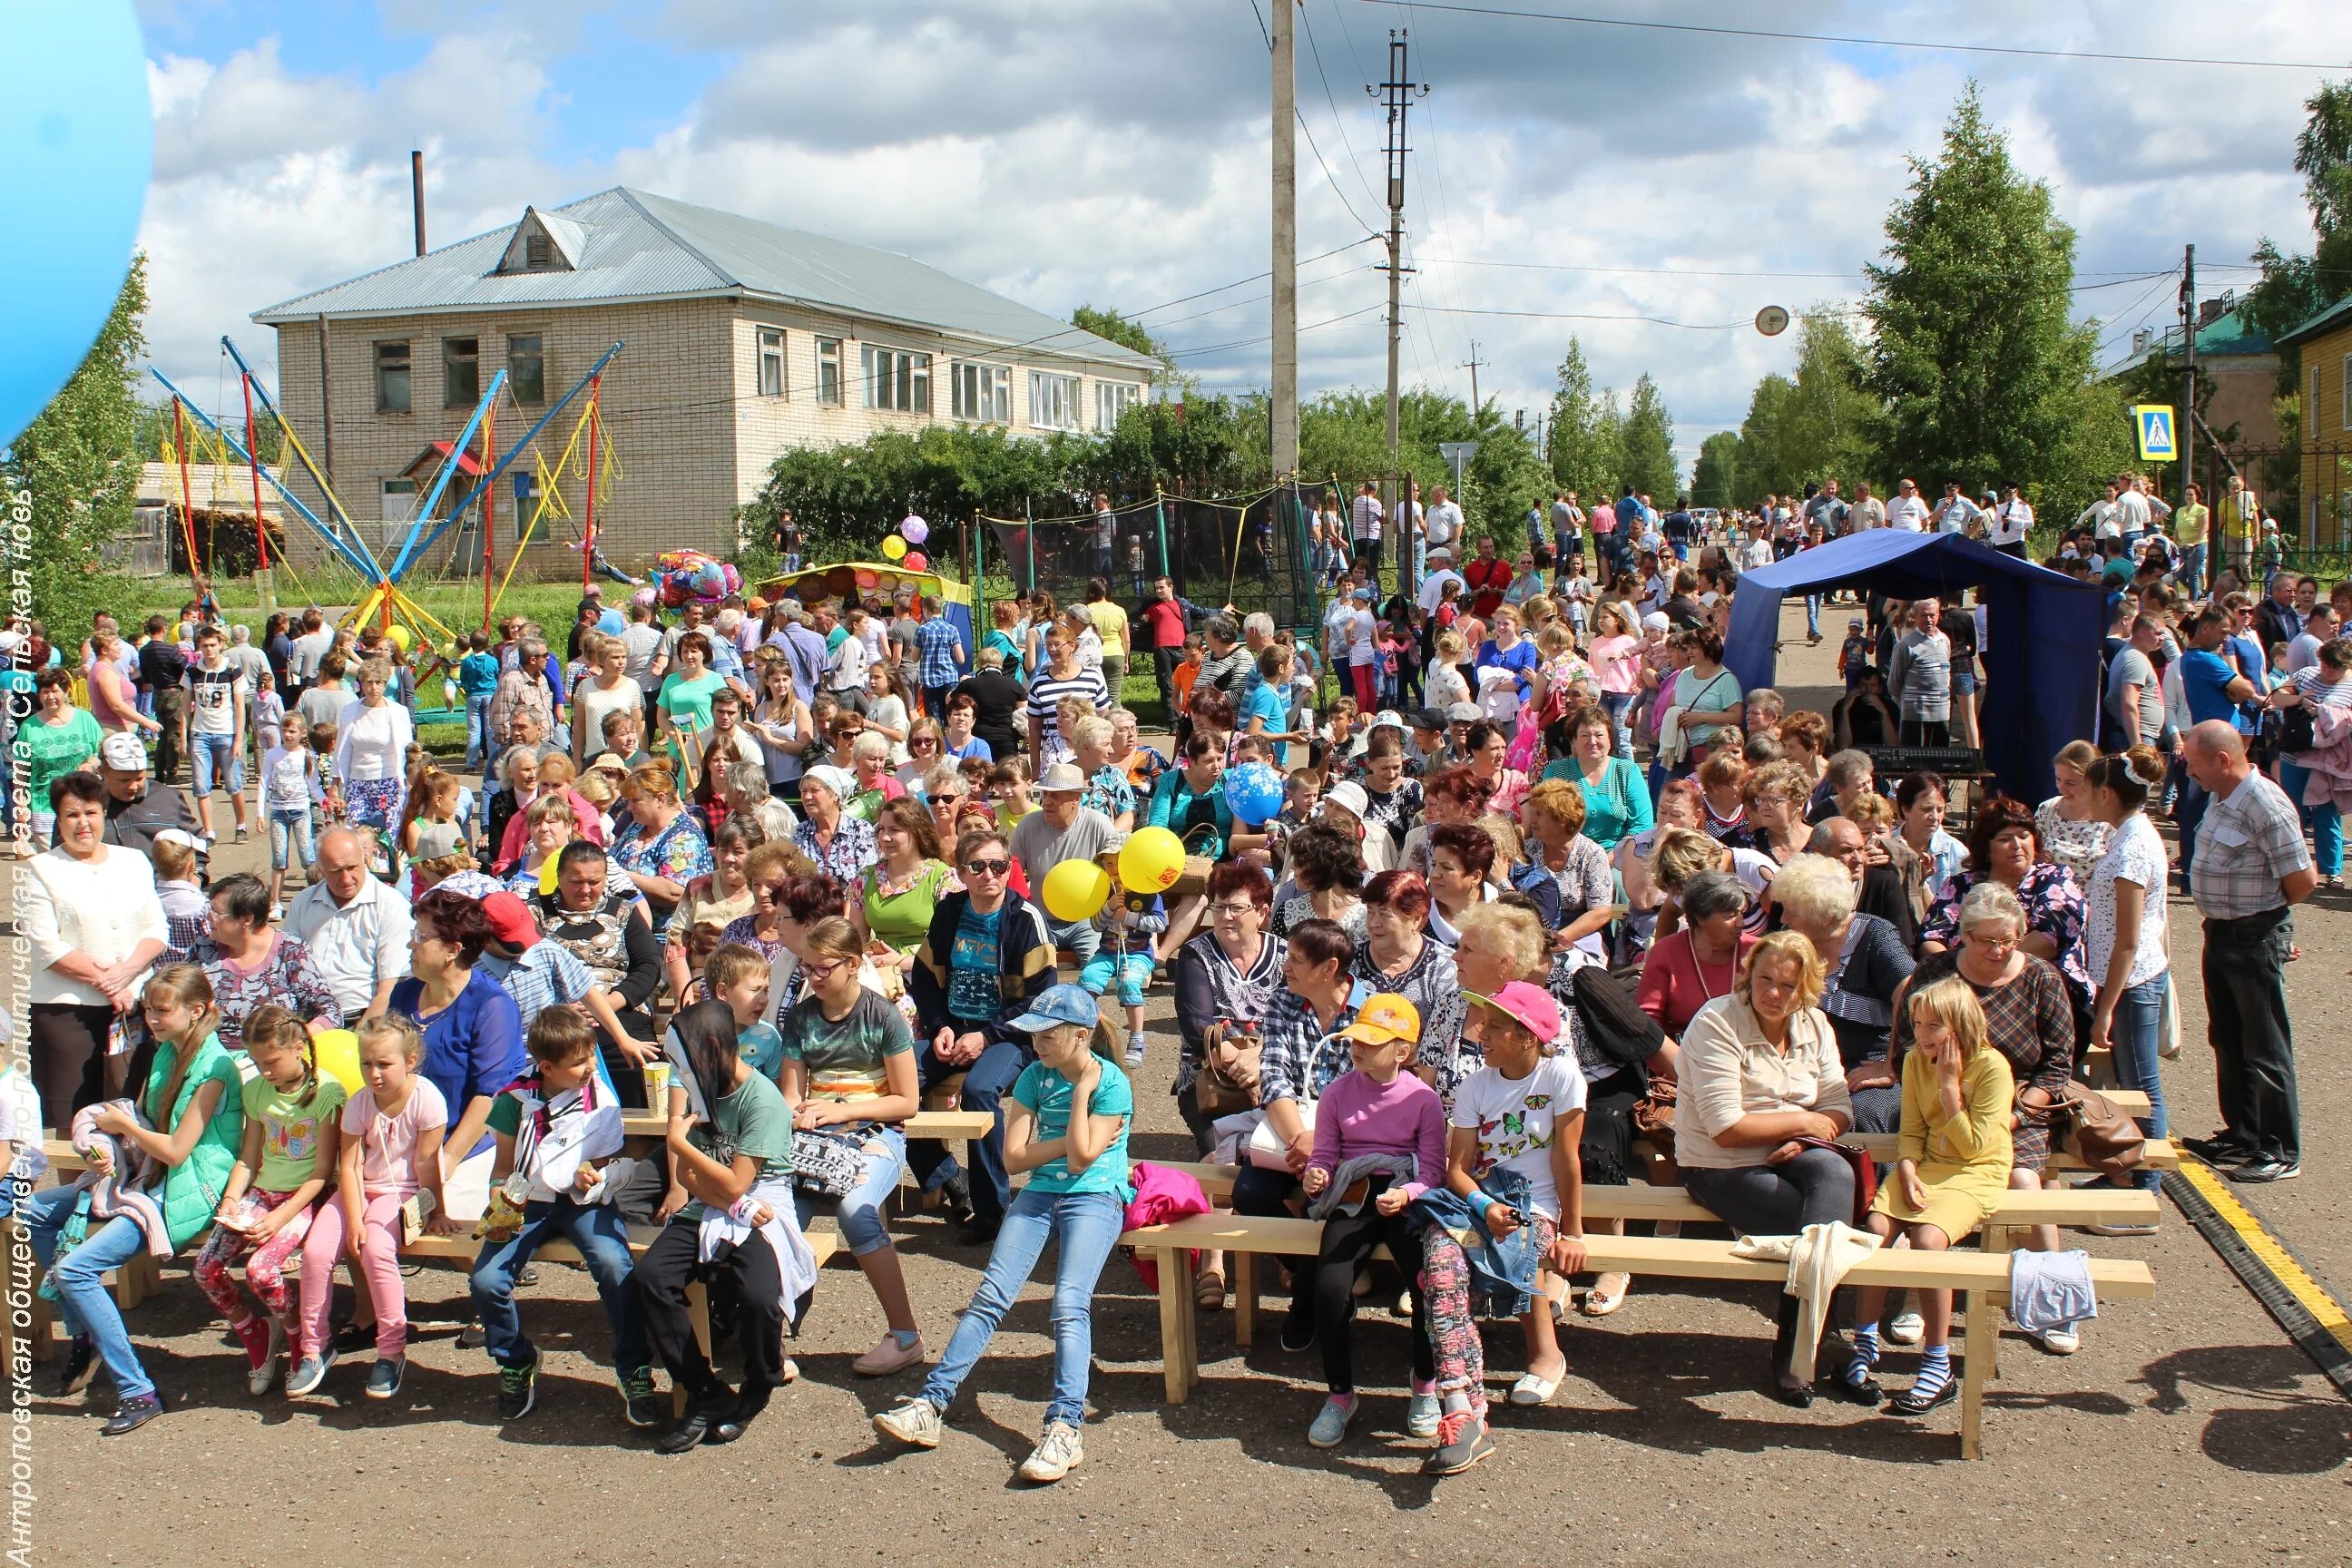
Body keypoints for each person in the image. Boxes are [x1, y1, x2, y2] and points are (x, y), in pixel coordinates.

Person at [870, 983, 1132, 1485]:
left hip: (1096, 1196)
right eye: (1034, 1034)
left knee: (1068, 1304)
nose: (1038, 1045)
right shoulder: (1034, 1075)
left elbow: (1083, 1161)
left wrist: (1079, 1098)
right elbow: (1014, 1158)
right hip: (1039, 1194)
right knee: (990, 1295)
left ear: (1081, 1036)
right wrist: (1067, 1140)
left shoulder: (1112, 1083)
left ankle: (1065, 1426)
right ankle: (931, 1403)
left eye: (1049, 1036)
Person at [24, 964, 240, 1434]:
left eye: (162, 1011)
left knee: (75, 1269)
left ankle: (137, 1390)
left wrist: (124, 1128)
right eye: (148, 1010)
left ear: (197, 1010)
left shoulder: (214, 1069)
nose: (152, 1019)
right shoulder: (165, 1051)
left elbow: (179, 1150)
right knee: (36, 1210)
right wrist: (110, 1144)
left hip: (191, 1187)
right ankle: (86, 1333)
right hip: (153, 1175)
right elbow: (145, 1119)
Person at [1893, 881, 2079, 1341]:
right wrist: (1946, 1094)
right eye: (1986, 940)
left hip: (2017, 1106)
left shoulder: (2040, 977)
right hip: (1939, 1100)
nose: (1998, 950)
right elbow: (1905, 1050)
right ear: (1964, 935)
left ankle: (2052, 1299)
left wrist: (2008, 1116)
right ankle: (1919, 1294)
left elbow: (2057, 1066)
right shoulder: (1935, 974)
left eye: (2008, 940)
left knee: (2024, 1181)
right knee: (1929, 1180)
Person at [1416, 981, 1588, 1473]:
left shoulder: (1561, 1076)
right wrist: (1482, 1203)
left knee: (1504, 1255)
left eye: (1495, 1027)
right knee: (1444, 1267)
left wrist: (1573, 1231)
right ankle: (1461, 1413)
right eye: (1483, 1024)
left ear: (1528, 1035)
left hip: (1531, 1209)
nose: (1482, 1034)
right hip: (1474, 1206)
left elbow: (1567, 1158)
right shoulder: (1475, 1085)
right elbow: (1457, 1169)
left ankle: (1468, 1400)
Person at [1674, 932, 1854, 1404]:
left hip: (1794, 1154)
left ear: (1808, 988)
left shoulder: (1815, 1024)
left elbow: (1839, 1107)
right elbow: (1725, 1128)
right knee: (1819, 1227)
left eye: (1788, 986)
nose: (1773, 993)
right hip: (1718, 1165)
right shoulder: (1717, 1021)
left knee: (1835, 1178)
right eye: (1764, 979)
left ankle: (1801, 1345)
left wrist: (1804, 1136)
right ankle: (1815, 1341)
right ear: (1748, 975)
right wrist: (1801, 1120)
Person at [466, 1004, 660, 1426]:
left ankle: (634, 1367)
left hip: (582, 1201)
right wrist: (501, 1197)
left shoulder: (600, 1098)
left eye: (591, 1056)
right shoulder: (514, 1101)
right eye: (578, 1063)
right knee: (485, 1280)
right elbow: (503, 1169)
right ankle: (515, 1360)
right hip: (528, 1201)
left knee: (614, 1264)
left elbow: (608, 1161)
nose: (591, 1067)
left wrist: (594, 1176)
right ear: (547, 1066)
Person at [635, 999, 813, 1453]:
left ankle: (759, 1383)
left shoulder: (762, 1100)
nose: (681, 1074)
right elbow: (693, 1179)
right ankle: (704, 1390)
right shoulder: (704, 1092)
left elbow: (738, 1180)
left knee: (757, 1295)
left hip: (764, 1203)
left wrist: (678, 1143)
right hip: (715, 1206)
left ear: (711, 1049)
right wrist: (725, 1197)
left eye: (684, 1062)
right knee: (652, 1278)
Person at [1838, 978, 2014, 1416]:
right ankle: (1864, 1343)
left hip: (1975, 1171)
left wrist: (1951, 1088)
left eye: (1934, 1025)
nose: (1922, 1034)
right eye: (1917, 1023)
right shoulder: (1916, 1060)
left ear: (1961, 1024)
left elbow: (1974, 1146)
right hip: (1927, 1165)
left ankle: (1937, 1363)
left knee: (1928, 1240)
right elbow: (1911, 1130)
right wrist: (1908, 1171)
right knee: (1876, 1229)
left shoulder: (1992, 1068)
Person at [1295, 993, 1447, 1452]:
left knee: (1427, 1285)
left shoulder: (1424, 1099)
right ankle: (1340, 1394)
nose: (1358, 1047)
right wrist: (1316, 1175)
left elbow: (1433, 1170)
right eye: (1356, 1038)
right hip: (1353, 1195)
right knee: (1330, 1286)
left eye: (1371, 1041)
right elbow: (1324, 1154)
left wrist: (1408, 1194)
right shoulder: (1338, 1093)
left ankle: (1425, 1384)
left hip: (1404, 1197)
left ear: (1403, 1051)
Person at [777, 916, 928, 1377]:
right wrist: (798, 1113)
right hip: (815, 1138)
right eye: (807, 969)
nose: (813, 978)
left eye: (823, 969)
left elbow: (908, 1101)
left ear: (852, 965)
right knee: (779, 1213)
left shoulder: (882, 1015)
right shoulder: (801, 1018)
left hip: (875, 1134)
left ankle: (905, 1336)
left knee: (856, 1209)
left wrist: (842, 1112)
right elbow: (789, 1093)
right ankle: (769, 1337)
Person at [285, 1012, 457, 1402]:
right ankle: (315, 1348)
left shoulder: (426, 1098)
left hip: (404, 1192)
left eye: (384, 1064)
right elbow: (349, 1165)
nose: (374, 1073)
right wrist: (354, 1216)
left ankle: (391, 1349)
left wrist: (439, 1211)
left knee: (378, 1250)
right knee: (315, 1252)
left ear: (409, 1062)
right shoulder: (360, 1103)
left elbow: (428, 1163)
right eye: (367, 1064)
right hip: (362, 1190)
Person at [906, 825, 1058, 1244]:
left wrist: (987, 1037)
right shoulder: (950, 912)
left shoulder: (1025, 920)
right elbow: (924, 976)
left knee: (978, 1089)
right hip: (953, 1029)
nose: (988, 874)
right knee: (896, 1081)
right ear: (961, 872)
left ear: (1009, 870)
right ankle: (947, 1175)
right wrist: (940, 1027)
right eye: (978, 866)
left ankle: (993, 1208)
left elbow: (1041, 998)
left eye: (998, 865)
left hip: (1011, 1036)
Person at [2180, 720, 2313, 1182]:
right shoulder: (2221, 797)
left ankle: (2280, 1149)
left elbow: (2302, 882)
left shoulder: (2266, 804)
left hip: (2252, 935)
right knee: (2228, 1038)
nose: (2189, 774)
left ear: (2222, 759)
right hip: (2221, 932)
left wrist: (2266, 923)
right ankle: (2244, 1134)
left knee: (2265, 1045)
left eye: (2195, 766)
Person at [193, 1004, 343, 1396]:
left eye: (272, 1061)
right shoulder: (256, 1090)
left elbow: (321, 1172)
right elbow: (249, 1156)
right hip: (261, 1193)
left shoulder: (326, 1092)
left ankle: (298, 1339)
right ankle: (256, 1334)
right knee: (206, 1268)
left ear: (298, 1047)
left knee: (262, 1272)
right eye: (257, 1062)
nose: (265, 1071)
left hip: (302, 1199)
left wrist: (279, 1219)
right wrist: (230, 1200)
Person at [22, 770, 169, 1127]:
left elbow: (156, 927)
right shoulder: (39, 869)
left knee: (134, 1113)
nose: (82, 823)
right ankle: (77, 1186)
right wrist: (107, 981)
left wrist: (126, 974)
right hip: (66, 1014)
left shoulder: (133, 861)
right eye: (72, 815)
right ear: (59, 819)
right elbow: (45, 944)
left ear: (104, 813)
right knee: (73, 1121)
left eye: (90, 813)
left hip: (134, 1007)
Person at [390, 892, 529, 1226]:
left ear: (453, 950)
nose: (412, 946)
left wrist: (447, 1160)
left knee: (432, 1217)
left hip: (464, 1145)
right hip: (402, 1142)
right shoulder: (404, 993)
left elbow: (490, 1096)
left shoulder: (490, 1005)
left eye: (421, 938)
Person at [2080, 748, 2171, 1215]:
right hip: (2131, 979)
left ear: (2108, 793)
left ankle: (2145, 1184)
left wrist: (2106, 1007)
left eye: (2090, 790)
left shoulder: (2132, 848)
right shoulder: (2130, 835)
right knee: (2134, 1081)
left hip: (2133, 984)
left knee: (2142, 1085)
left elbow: (2128, 941)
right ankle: (2131, 1171)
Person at [1771, 854, 1916, 1135]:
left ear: (1824, 916)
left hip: (1862, 1065)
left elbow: (1912, 993)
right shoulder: (1790, 941)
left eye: (1793, 912)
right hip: (1804, 1064)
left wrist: (1891, 1064)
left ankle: (1871, 1179)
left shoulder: (1875, 936)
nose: (1784, 919)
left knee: (1859, 1113)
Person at [1918, 797, 2092, 1022]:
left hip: (2038, 998)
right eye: (2005, 839)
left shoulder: (2054, 879)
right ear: (1986, 849)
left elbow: (2049, 939)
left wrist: (1985, 971)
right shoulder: (1959, 885)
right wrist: (1963, 975)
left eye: (2023, 836)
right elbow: (1930, 938)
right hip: (1960, 995)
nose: (2017, 845)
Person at [191, 873, 343, 1053]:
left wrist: (289, 1044)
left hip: (269, 1061)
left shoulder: (290, 952)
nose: (208, 917)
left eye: (216, 913)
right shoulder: (204, 948)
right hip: (208, 1055)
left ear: (246, 919)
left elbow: (330, 1011)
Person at [1009, 762, 1117, 965]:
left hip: (1087, 921)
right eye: (1045, 794)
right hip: (1042, 919)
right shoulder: (1028, 825)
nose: (1047, 801)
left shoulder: (1098, 824)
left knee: (1094, 970)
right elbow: (1012, 872)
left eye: (1055, 796)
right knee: (1035, 970)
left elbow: (1118, 873)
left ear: (1076, 799)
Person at [1637, 868, 1758, 1048]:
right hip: (1682, 1057)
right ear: (1700, 917)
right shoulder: (1667, 952)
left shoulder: (1758, 952)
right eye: (1730, 916)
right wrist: (1677, 1067)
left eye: (1742, 913)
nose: (1741, 923)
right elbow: (1648, 1023)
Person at [610, 763, 714, 926]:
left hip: (666, 935)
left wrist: (622, 875)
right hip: (628, 927)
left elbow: (674, 891)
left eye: (635, 801)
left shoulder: (684, 836)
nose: (629, 808)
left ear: (659, 799)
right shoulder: (637, 826)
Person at [333, 659, 415, 848]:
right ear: (361, 683)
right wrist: (334, 785)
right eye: (369, 682)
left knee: (389, 837)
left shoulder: (398, 712)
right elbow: (341, 749)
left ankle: (390, 874)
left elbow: (408, 751)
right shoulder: (350, 711)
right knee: (357, 834)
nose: (373, 688)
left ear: (385, 684)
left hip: (389, 781)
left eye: (378, 682)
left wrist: (410, 781)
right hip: (358, 782)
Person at [1548, 702, 1651, 850]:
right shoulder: (1556, 772)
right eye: (1585, 735)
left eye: (1599, 735)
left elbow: (1641, 826)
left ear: (1610, 740)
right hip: (1567, 855)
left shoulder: (1628, 771)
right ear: (1575, 741)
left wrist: (1608, 859)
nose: (1592, 741)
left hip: (1619, 857)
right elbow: (1547, 822)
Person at [2037, 740, 2114, 885]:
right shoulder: (2047, 810)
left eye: (2070, 783)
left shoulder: (2111, 820)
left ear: (2093, 782)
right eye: (2058, 779)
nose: (2061, 788)